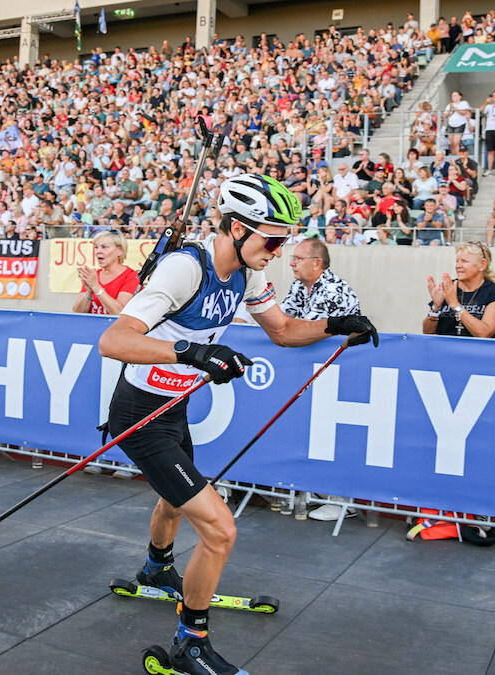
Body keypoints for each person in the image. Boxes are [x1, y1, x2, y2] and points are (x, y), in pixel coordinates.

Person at [98, 174, 378, 675]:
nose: (278, 250)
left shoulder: (247, 275)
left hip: (173, 405)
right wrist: (191, 350)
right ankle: (191, 643)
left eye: (285, 241)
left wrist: (338, 325)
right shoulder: (185, 269)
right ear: (235, 228)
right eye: (272, 239)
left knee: (173, 499)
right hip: (139, 413)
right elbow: (114, 340)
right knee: (220, 529)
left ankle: (157, 568)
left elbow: (285, 330)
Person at [279, 237, 364, 522]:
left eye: (298, 258)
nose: (291, 263)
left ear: (317, 263)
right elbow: (284, 322)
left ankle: (342, 501)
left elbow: (302, 330)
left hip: (341, 372)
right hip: (313, 368)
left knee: (333, 435)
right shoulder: (299, 286)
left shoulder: (331, 288)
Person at [423, 241, 495, 338]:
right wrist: (436, 307)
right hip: (444, 350)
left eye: (464, 261)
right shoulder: (449, 287)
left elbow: (484, 333)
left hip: (478, 352)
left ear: (482, 264)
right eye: (457, 261)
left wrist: (455, 305)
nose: (458, 266)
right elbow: (427, 332)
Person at [72, 230, 138, 315]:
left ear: (120, 250)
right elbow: (77, 313)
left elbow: (120, 313)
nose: (98, 251)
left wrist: (96, 287)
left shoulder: (132, 276)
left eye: (104, 247)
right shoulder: (93, 276)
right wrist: (88, 292)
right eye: (96, 247)